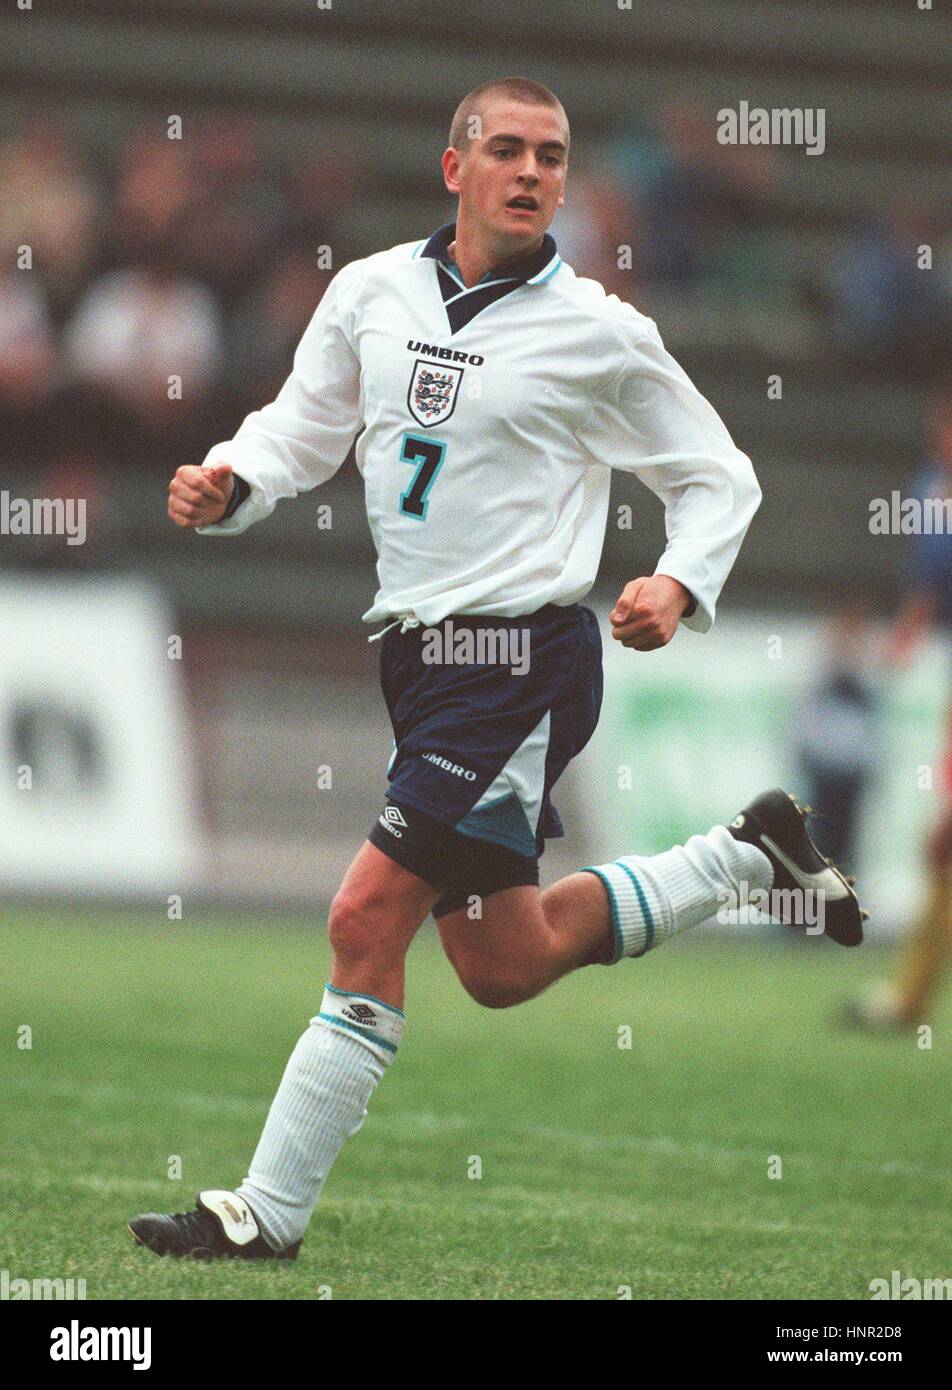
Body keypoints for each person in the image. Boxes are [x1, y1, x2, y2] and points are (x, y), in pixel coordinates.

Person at [130, 77, 864, 1262]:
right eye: (510, 150)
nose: (533, 173)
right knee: (500, 960)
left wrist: (675, 582)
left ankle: (262, 1216)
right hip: (419, 659)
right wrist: (232, 481)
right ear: (453, 167)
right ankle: (745, 853)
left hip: (521, 657)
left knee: (364, 915)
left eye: (553, 156)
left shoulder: (602, 331)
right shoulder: (369, 291)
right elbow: (303, 427)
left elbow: (718, 475)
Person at [845, 391, 952, 1033]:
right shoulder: (926, 490)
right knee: (942, 848)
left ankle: (909, 999)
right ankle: (909, 999)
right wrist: (904, 637)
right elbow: (926, 589)